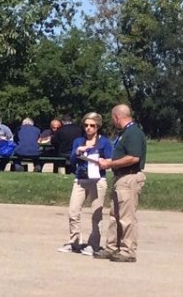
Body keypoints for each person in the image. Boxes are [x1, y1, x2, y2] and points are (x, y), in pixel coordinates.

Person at [96, 103, 148, 263]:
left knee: (126, 217)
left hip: (129, 178)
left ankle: (128, 251)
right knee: (114, 215)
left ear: (117, 117)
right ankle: (111, 247)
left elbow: (133, 157)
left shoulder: (133, 133)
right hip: (120, 177)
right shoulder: (125, 133)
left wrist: (110, 164)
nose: (113, 122)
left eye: (113, 119)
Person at [59, 113, 114, 255]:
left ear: (98, 127)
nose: (88, 128)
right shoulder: (78, 141)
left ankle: (94, 244)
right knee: (73, 211)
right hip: (81, 179)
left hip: (97, 180)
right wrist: (78, 151)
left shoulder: (104, 142)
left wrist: (100, 161)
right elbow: (72, 161)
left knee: (96, 213)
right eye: (86, 125)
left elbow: (109, 162)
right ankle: (75, 242)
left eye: (92, 126)